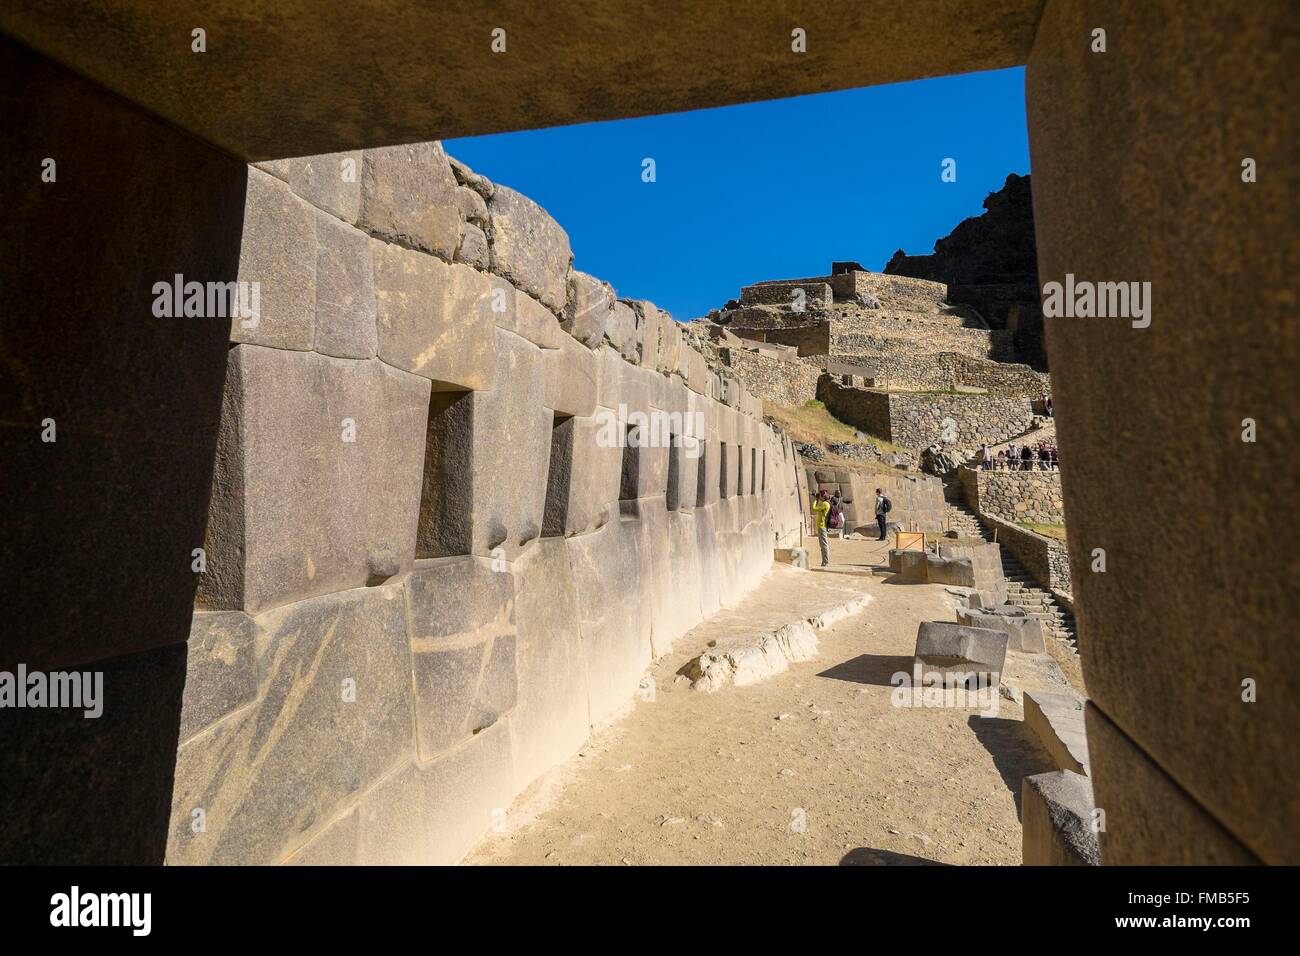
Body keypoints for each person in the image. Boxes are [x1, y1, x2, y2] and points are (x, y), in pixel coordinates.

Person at [812, 490, 831, 567]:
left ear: (823, 497)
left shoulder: (825, 504)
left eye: (820, 496)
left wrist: (816, 500)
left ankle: (825, 562)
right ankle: (824, 561)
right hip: (822, 526)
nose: (819, 497)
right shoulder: (826, 503)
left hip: (822, 526)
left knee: (824, 545)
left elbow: (814, 508)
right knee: (823, 545)